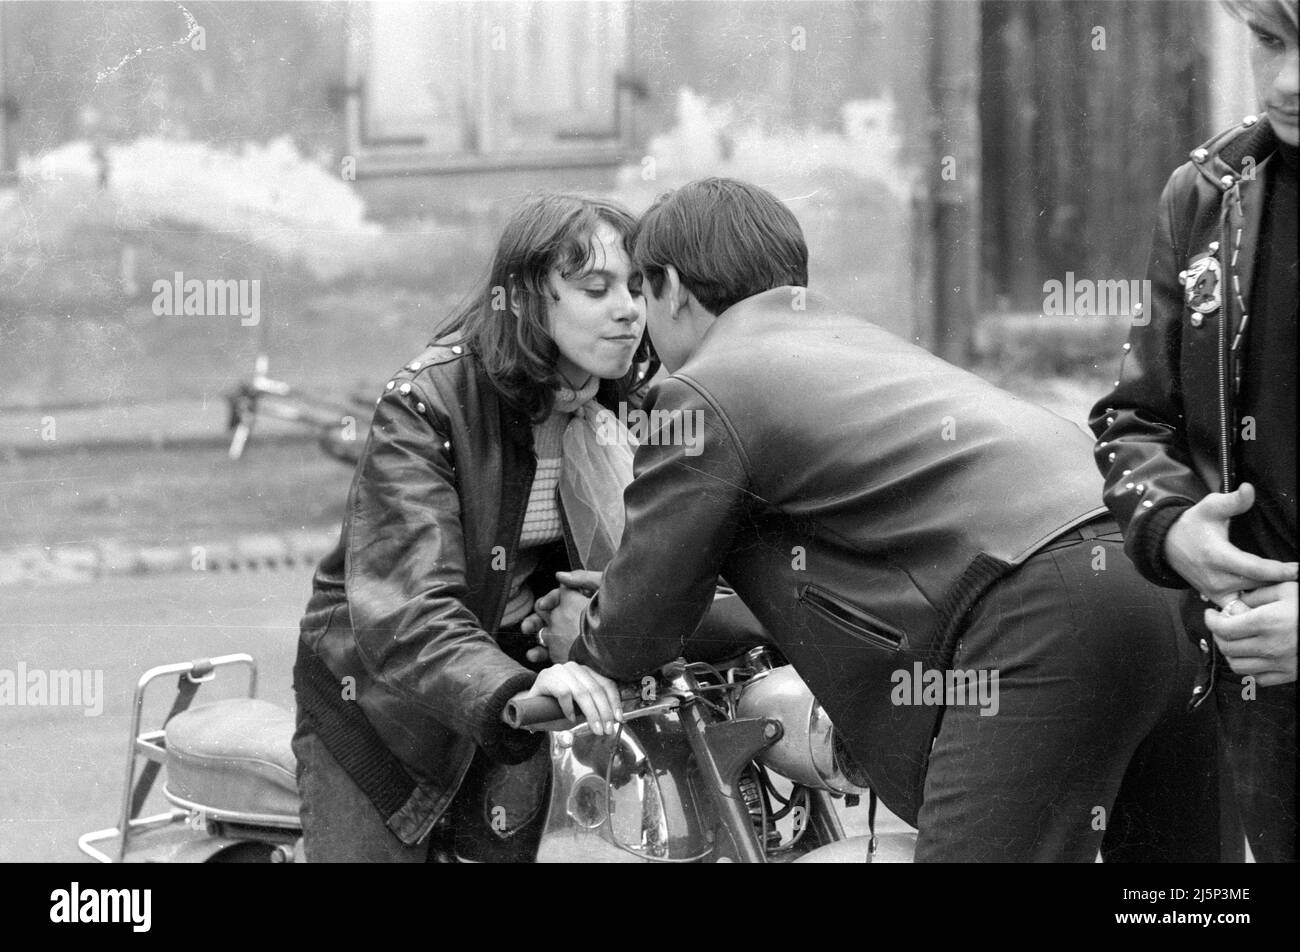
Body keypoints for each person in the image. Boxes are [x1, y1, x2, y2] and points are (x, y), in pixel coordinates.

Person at [535, 177, 1228, 862]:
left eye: (638, 290)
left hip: (1039, 609)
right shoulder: (862, 346)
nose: (634, 315)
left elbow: (641, 623)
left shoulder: (703, 389)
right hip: (1158, 574)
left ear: (674, 287)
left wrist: (585, 642)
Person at [291, 193, 649, 862]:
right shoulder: (429, 403)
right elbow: (406, 610)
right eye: (596, 288)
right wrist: (516, 685)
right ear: (529, 298)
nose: (627, 309)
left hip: (521, 689)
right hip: (384, 707)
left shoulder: (627, 396)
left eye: (637, 286)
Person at [1089, 0, 1297, 863]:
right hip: (1257, 678)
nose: (1288, 81)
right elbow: (1136, 419)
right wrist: (1174, 531)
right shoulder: (1211, 193)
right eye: (1269, 40)